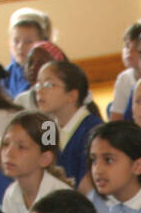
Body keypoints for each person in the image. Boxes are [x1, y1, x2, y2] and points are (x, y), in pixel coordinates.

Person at [34, 61, 101, 191]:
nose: (40, 91)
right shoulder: (47, 127)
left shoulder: (93, 130)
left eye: (49, 85)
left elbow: (88, 185)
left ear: (71, 96)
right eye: (38, 85)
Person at [0, 110, 70, 213]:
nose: (8, 153)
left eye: (22, 147)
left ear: (45, 158)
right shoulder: (10, 195)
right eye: (5, 144)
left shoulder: (63, 200)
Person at [4, 10, 51, 97]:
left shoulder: (49, 76)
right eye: (16, 41)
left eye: (28, 41)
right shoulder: (7, 74)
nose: (20, 47)